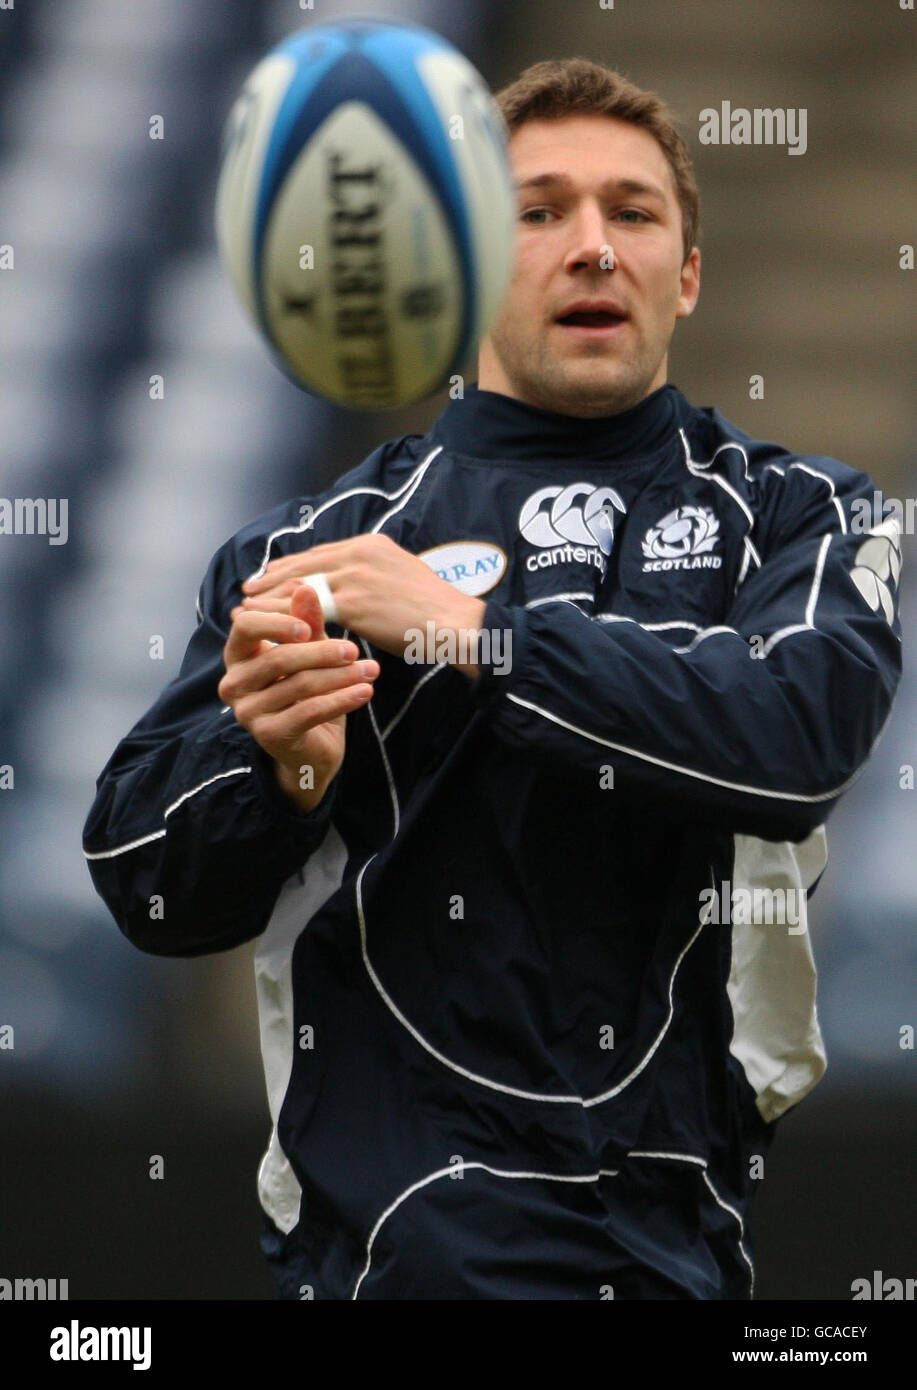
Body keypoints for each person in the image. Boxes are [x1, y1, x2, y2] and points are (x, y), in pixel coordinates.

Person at [83, 58, 902, 1300]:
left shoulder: (805, 515)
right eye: (538, 211)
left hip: (676, 1249)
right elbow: (142, 880)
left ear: (685, 274)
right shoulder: (313, 552)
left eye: (632, 212)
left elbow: (795, 740)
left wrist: (473, 635)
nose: (592, 247)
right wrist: (279, 775)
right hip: (387, 1257)